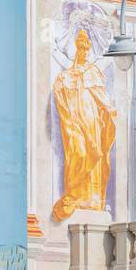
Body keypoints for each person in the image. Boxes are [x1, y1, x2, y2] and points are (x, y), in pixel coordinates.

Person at [51, 30, 116, 221]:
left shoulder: (93, 72)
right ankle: (75, 194)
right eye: (80, 48)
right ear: (76, 49)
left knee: (94, 156)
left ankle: (92, 199)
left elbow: (101, 96)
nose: (84, 52)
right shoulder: (65, 76)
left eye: (86, 49)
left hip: (92, 121)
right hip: (74, 123)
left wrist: (110, 110)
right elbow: (59, 95)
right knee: (77, 153)